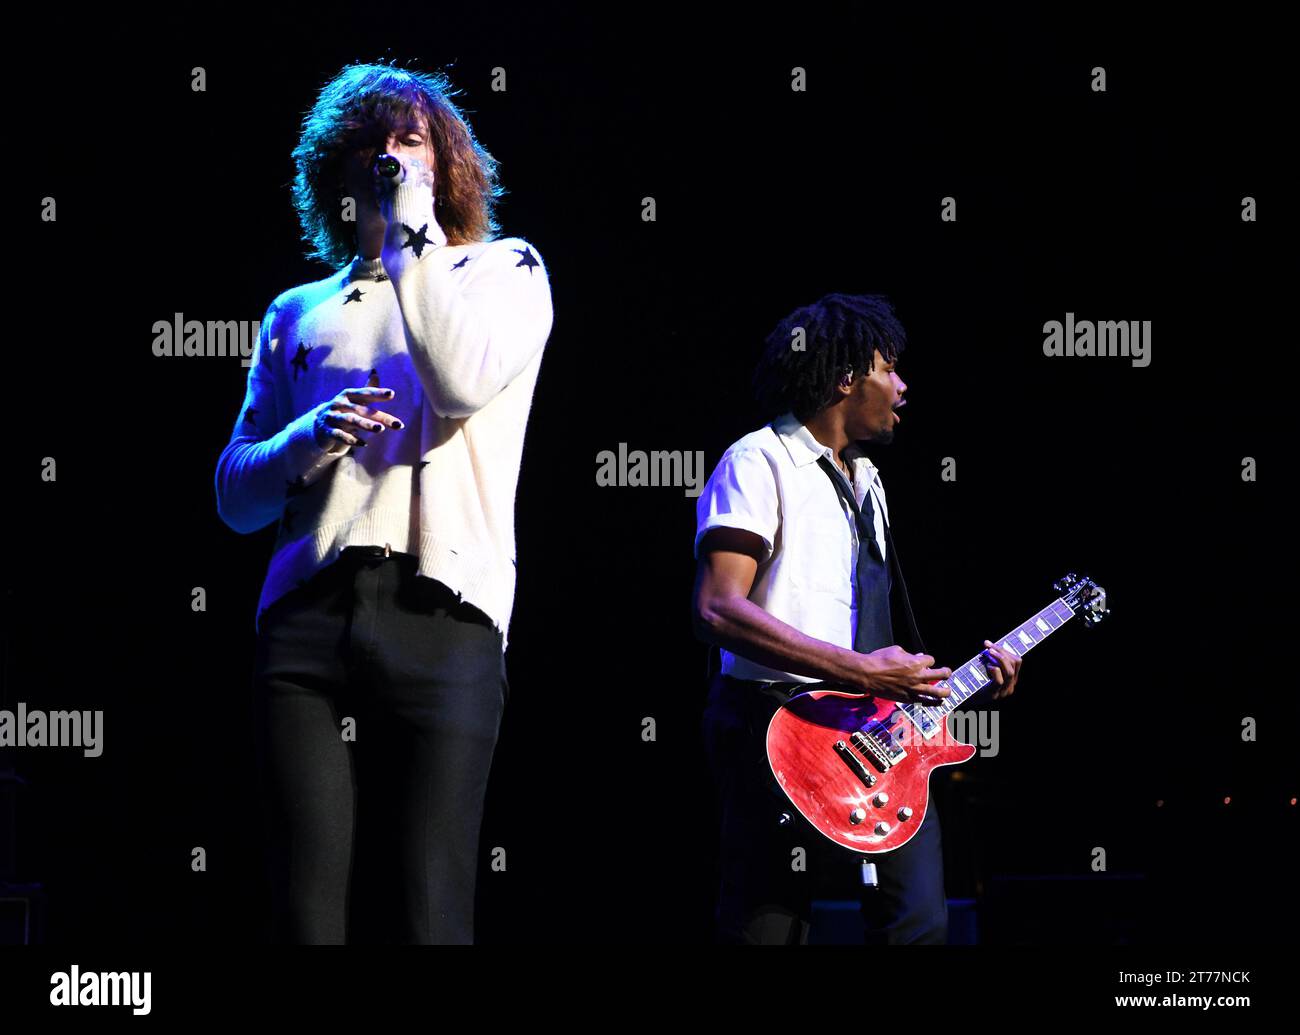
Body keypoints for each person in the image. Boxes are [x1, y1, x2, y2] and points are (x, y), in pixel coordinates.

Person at [214, 61, 554, 944]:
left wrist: (413, 245)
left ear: (447, 164)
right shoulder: (297, 310)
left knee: (430, 911)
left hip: (442, 616)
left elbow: (458, 380)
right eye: (374, 143)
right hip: (307, 618)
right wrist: (308, 436)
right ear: (341, 167)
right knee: (306, 913)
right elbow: (236, 496)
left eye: (413, 141)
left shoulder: (503, 271)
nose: (393, 158)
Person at [691, 293, 1021, 944]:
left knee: (919, 920)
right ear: (847, 377)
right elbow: (716, 607)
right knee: (771, 922)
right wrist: (861, 667)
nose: (902, 385)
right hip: (773, 722)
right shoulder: (759, 460)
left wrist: (958, 675)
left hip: (870, 734)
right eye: (889, 368)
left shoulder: (868, 481)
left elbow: (869, 627)